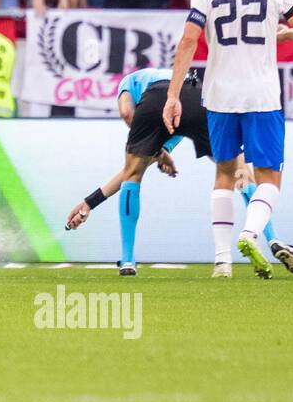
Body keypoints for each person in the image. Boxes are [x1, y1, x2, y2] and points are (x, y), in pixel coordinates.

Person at [163, 0, 293, 278]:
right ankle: (251, 233)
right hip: (261, 95)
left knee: (223, 173)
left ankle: (222, 262)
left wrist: (174, 95)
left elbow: (188, 41)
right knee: (269, 177)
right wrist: (284, 34)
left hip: (219, 94)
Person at [65, 67, 211, 275]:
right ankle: (268, 238)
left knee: (134, 175)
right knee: (231, 168)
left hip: (157, 97)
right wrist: (160, 152)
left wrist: (89, 203)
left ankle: (127, 260)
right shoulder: (173, 122)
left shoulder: (129, 81)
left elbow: (126, 113)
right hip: (196, 95)